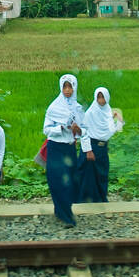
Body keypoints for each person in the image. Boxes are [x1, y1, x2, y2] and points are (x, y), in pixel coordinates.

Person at [42, 73, 84, 227]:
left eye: (70, 87)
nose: (67, 90)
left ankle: (62, 210)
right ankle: (67, 216)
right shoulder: (54, 108)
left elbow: (84, 131)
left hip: (70, 148)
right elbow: (46, 130)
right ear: (61, 88)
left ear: (74, 88)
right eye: (65, 87)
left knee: (71, 182)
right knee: (58, 181)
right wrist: (61, 127)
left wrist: (77, 129)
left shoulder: (78, 108)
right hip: (56, 148)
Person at [79, 86, 122, 204]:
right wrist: (88, 150)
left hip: (103, 148)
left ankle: (101, 200)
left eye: (103, 97)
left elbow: (113, 131)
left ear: (107, 98)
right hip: (91, 147)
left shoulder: (108, 112)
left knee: (101, 174)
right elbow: (84, 132)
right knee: (88, 176)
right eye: (98, 97)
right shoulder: (91, 113)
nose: (101, 100)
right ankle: (85, 201)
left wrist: (119, 120)